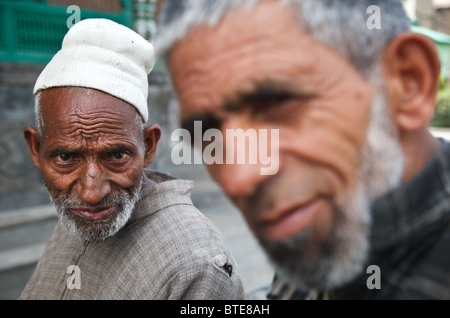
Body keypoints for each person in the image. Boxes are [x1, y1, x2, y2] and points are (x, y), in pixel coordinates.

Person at [154, 0, 450, 299]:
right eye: (206, 135)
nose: (237, 179)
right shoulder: (315, 230)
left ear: (408, 82)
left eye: (276, 104)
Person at [20, 18, 245, 300]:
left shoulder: (197, 266)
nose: (91, 193)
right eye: (66, 157)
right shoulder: (82, 218)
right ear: (36, 148)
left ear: (149, 146)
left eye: (116, 155)